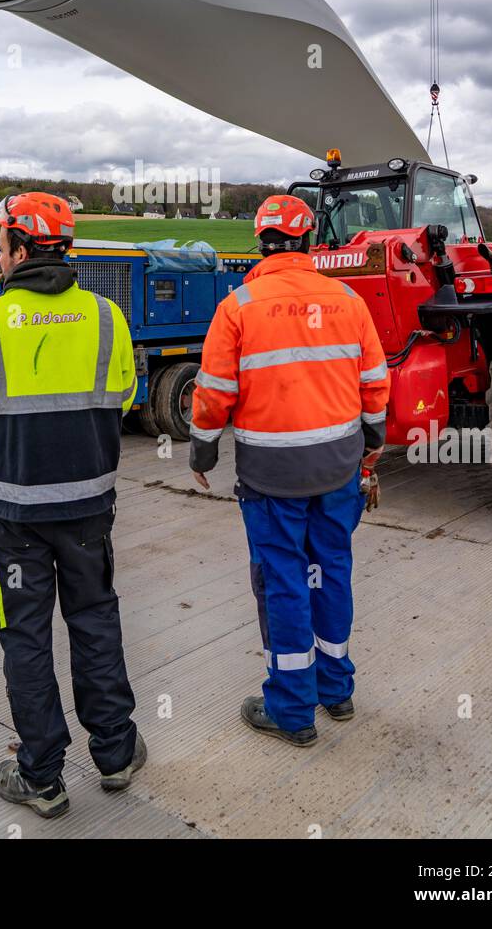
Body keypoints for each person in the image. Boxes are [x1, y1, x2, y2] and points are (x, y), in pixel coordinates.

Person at [0, 191, 145, 818]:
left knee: (25, 638)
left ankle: (43, 777)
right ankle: (115, 755)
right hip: (88, 511)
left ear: (22, 250)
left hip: (15, 520)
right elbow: (125, 400)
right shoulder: (108, 316)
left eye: (0, 246)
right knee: (95, 621)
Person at [189, 192, 390, 745]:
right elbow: (375, 382)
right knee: (331, 573)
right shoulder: (348, 300)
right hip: (338, 470)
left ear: (261, 242)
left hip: (271, 477)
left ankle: (293, 711)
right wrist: (370, 442)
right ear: (309, 241)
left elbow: (213, 393)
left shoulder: (239, 306)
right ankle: (336, 691)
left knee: (284, 582)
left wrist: (202, 450)